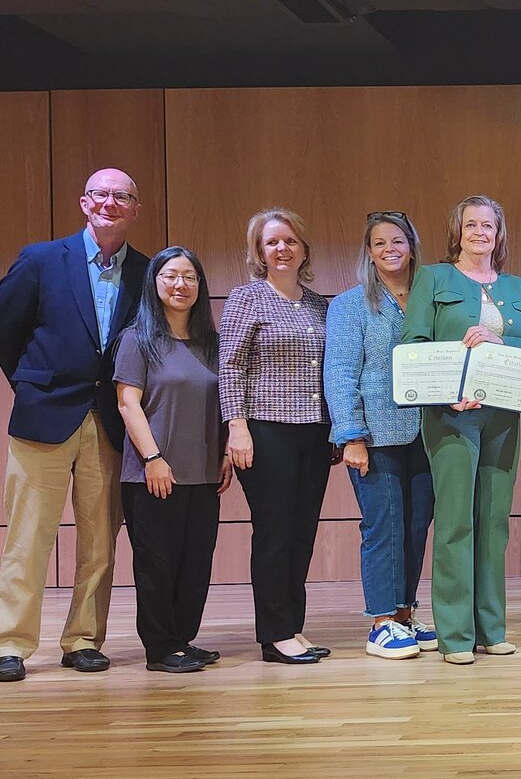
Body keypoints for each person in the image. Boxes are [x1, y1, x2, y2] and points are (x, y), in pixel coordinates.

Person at [0, 168, 149, 682]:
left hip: (109, 421)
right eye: (101, 194)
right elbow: (6, 328)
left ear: (135, 209)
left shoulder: (146, 272)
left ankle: (84, 639)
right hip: (43, 416)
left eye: (122, 196)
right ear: (84, 202)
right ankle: (11, 642)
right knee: (27, 536)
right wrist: (29, 383)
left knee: (100, 541)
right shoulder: (42, 259)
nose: (110, 203)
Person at [403, 194, 521, 665]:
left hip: (503, 412)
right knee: (456, 521)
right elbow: (414, 344)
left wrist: (500, 338)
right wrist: (445, 393)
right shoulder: (433, 278)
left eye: (488, 225)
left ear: (499, 234)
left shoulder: (517, 286)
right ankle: (456, 635)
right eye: (471, 225)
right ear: (457, 232)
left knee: (494, 522)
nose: (480, 233)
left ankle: (491, 628)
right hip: (451, 413)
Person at [220, 208, 334, 666]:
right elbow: (230, 366)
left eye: (290, 241)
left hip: (314, 432)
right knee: (274, 532)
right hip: (265, 431)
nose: (282, 249)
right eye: (272, 242)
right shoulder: (246, 298)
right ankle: (274, 633)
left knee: (302, 532)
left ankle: (292, 626)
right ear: (259, 252)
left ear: (304, 249)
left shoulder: (319, 304)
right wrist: (236, 427)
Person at [325, 211, 437, 661]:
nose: (390, 249)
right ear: (369, 253)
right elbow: (339, 373)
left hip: (430, 431)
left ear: (411, 246)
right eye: (379, 243)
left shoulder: (431, 298)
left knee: (416, 527)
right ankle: (381, 622)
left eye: (397, 241)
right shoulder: (350, 305)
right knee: (383, 526)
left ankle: (405, 613)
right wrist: (351, 435)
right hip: (375, 434)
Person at [115, 247, 232, 673]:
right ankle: (160, 648)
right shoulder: (137, 339)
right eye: (170, 276)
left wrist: (224, 453)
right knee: (157, 565)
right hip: (153, 473)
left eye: (189, 277)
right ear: (154, 283)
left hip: (203, 472)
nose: (180, 285)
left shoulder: (211, 343)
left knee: (195, 563)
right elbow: (128, 404)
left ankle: (182, 639)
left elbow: (224, 401)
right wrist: (153, 458)